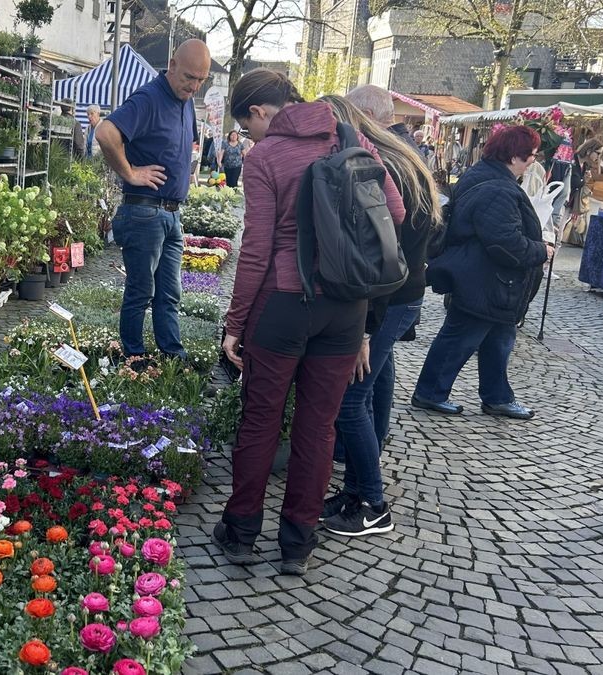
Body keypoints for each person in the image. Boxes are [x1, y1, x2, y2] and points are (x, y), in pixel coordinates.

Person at [214, 69, 405, 574]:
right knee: (318, 428)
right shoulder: (352, 137)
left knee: (260, 421)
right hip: (345, 307)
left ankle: (240, 533)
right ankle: (297, 543)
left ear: (260, 111)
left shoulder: (266, 157)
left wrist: (235, 324)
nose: (249, 137)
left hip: (283, 300)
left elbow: (255, 251)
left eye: (247, 125)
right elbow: (396, 212)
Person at [321, 94, 442, 537]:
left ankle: (372, 503)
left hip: (388, 299)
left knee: (350, 399)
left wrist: (366, 329)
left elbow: (375, 256)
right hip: (402, 293)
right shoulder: (401, 156)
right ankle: (355, 491)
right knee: (365, 393)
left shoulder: (380, 165)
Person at [412, 125, 554, 420]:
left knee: (498, 340)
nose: (532, 162)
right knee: (460, 339)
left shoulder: (484, 176)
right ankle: (430, 392)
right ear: (515, 156)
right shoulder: (497, 188)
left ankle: (497, 397)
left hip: (491, 282)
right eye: (530, 156)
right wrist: (542, 250)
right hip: (486, 282)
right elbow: (505, 243)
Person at [96, 39, 210, 361]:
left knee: (170, 294)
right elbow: (105, 134)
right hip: (145, 212)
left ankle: (172, 356)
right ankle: (134, 358)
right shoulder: (149, 97)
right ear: (172, 65)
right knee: (140, 292)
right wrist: (130, 172)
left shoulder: (185, 101)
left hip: (171, 214)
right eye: (189, 77)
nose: (194, 86)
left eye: (201, 80)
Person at [564, 139, 602, 245]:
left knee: (558, 235)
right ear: (589, 150)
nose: (598, 157)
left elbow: (579, 183)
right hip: (563, 201)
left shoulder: (584, 165)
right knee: (556, 234)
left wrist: (584, 180)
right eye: (597, 153)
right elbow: (573, 182)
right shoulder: (572, 160)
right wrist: (583, 180)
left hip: (570, 203)